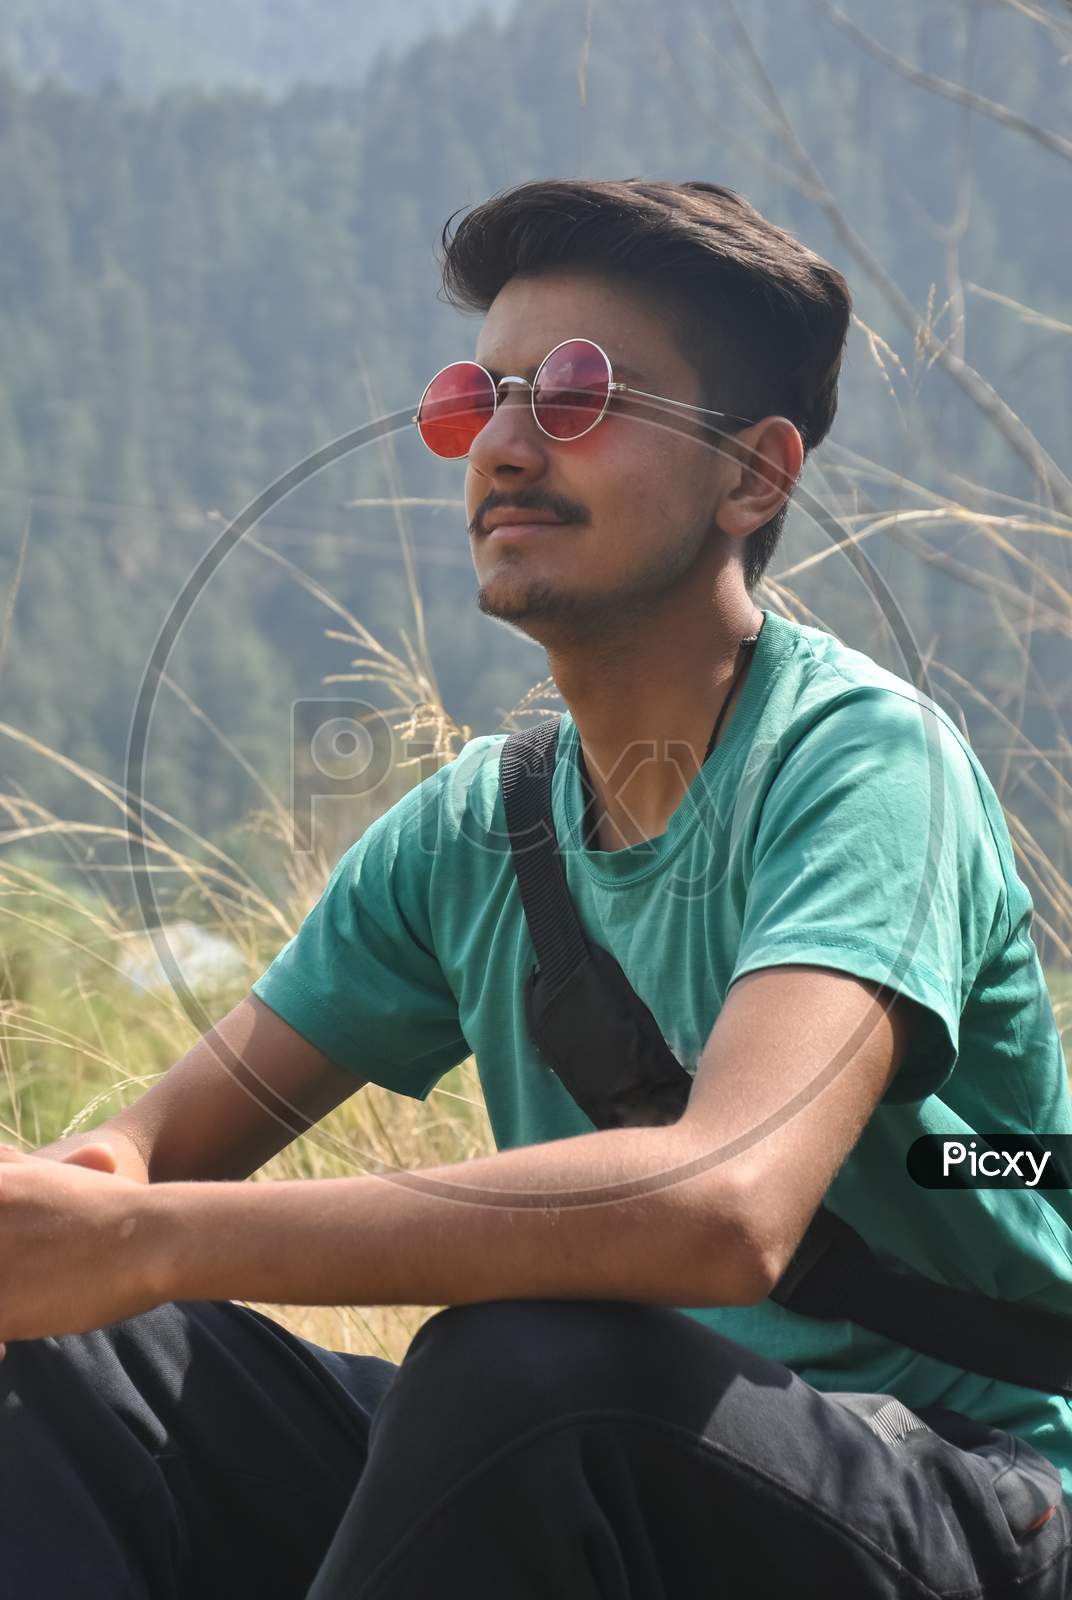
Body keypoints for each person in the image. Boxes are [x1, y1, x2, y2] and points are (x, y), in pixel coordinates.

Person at [3, 177, 1070, 1599]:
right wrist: (85, 1218)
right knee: (59, 1348)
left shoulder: (862, 768)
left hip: (958, 1494)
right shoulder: (476, 831)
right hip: (592, 1458)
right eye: (475, 396)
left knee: (533, 1363)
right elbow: (136, 1165)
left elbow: (725, 1205)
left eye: (578, 392)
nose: (503, 446)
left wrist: (151, 1242)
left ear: (753, 474)